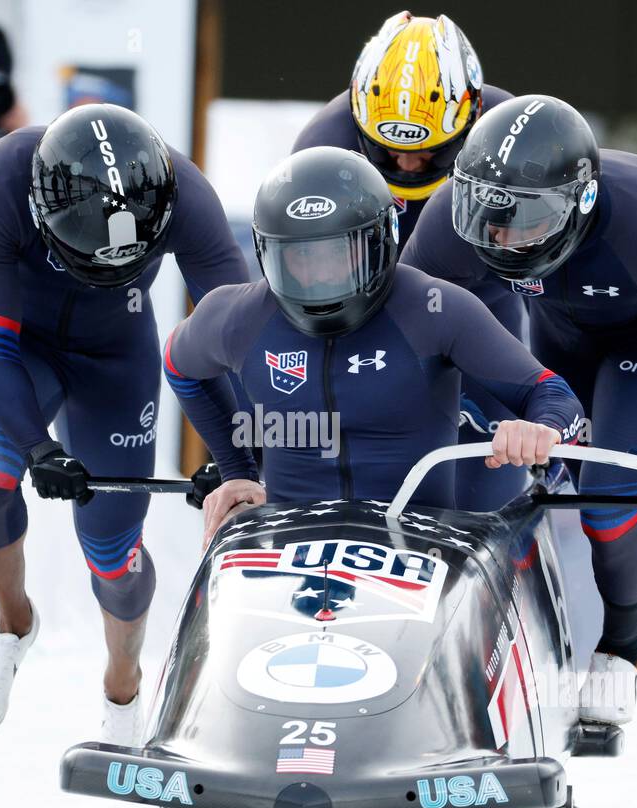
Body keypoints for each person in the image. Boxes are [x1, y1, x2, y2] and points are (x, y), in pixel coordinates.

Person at [400, 94, 637, 724]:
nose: (499, 238)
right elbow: (411, 320)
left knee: (608, 502)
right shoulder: (451, 218)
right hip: (557, 335)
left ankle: (621, 647)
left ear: (578, 205)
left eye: (522, 221)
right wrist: (462, 402)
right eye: (486, 217)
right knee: (555, 472)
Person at [0, 104, 249, 745]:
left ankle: (123, 682)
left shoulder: (184, 195)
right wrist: (36, 446)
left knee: (113, 550)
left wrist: (239, 454)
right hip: (13, 341)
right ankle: (13, 622)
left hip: (114, 357)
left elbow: (246, 335)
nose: (105, 273)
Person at [163, 146, 584, 549]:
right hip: (289, 543)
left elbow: (550, 392)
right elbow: (179, 366)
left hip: (418, 544)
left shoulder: (434, 308)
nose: (318, 279)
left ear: (380, 240)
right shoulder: (238, 315)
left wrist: (540, 427)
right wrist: (238, 472)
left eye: (337, 255)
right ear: (266, 252)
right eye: (298, 259)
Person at [292, 10, 528, 508]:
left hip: (480, 299)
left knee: (488, 487)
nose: (406, 163)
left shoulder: (512, 135)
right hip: (367, 312)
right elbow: (297, 286)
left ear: (469, 123)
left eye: (428, 153)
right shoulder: (320, 148)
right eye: (388, 150)